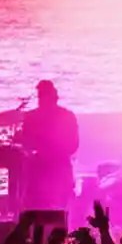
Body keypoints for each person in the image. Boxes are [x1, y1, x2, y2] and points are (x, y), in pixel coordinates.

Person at [20, 80, 79, 212]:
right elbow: (73, 146)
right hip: (58, 168)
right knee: (59, 211)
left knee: (37, 210)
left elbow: (26, 144)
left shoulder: (31, 117)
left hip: (41, 169)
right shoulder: (68, 116)